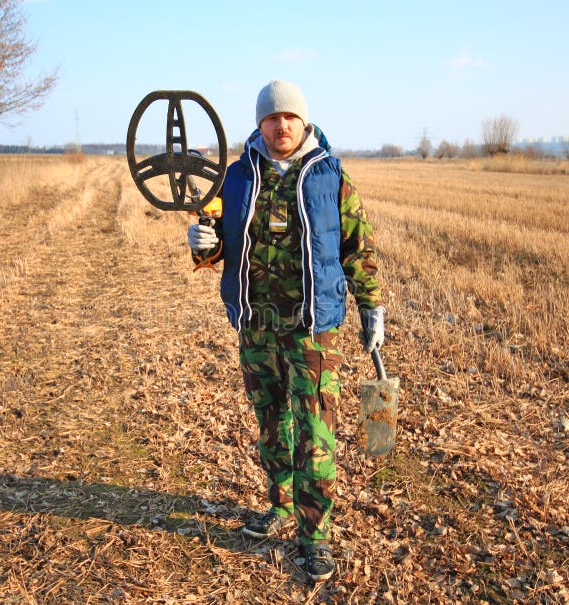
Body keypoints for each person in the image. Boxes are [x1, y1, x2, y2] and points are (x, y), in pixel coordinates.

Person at [187, 79, 384, 582]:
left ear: (304, 122)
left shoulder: (330, 176)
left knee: (316, 432)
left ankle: (314, 536)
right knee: (271, 423)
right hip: (256, 326)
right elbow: (217, 254)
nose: (281, 126)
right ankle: (279, 503)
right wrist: (201, 244)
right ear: (260, 125)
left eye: (289, 117)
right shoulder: (235, 180)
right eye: (271, 118)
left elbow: (357, 249)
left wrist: (372, 310)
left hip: (312, 328)